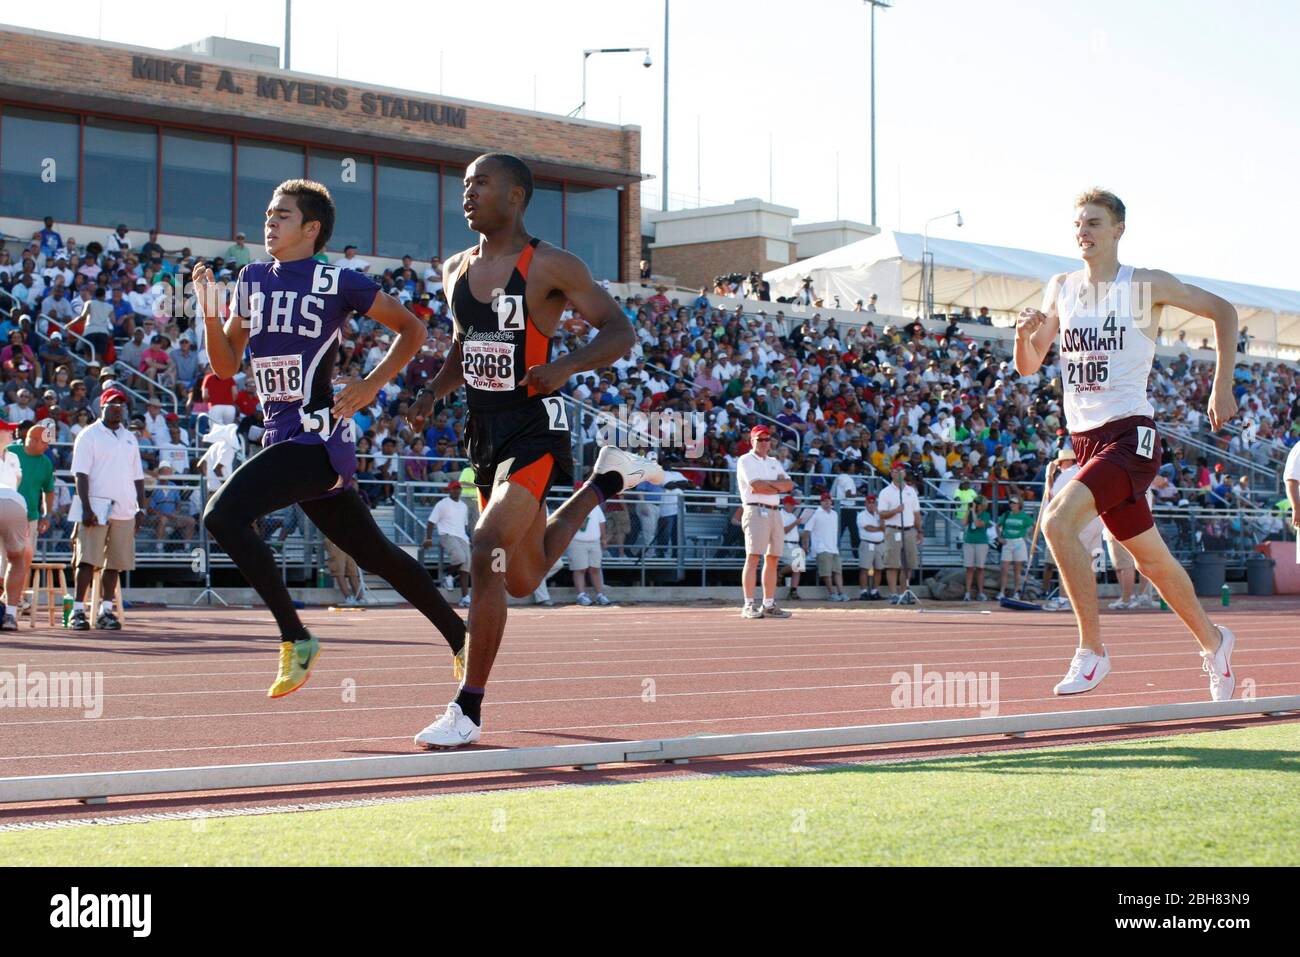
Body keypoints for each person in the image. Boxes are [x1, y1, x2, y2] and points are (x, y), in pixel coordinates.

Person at [411, 153, 661, 749]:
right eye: (464, 184)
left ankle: (467, 709)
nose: (468, 193)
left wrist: (566, 365)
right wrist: (432, 392)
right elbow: (465, 347)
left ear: (517, 195)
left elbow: (619, 329)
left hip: (534, 429)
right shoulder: (453, 268)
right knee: (518, 577)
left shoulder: (551, 265)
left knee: (485, 547)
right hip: (482, 433)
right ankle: (605, 483)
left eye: (482, 183)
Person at [192, 178, 467, 698]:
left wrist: (371, 385)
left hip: (317, 440)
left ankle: (296, 639)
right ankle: (461, 636)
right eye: (268, 214)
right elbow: (225, 364)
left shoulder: (338, 281)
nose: (269, 223)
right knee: (376, 554)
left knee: (221, 516)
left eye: (282, 216)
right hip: (282, 437)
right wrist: (208, 306)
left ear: (311, 228)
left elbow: (411, 329)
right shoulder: (252, 278)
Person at [1015, 188, 1240, 699]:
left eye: (1093, 223)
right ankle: (1215, 642)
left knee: (1056, 522)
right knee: (1152, 562)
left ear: (1118, 229)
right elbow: (1029, 363)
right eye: (1077, 224)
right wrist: (1022, 334)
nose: (1083, 231)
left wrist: (1220, 383)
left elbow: (1223, 312)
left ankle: (1091, 652)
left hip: (1130, 436)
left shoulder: (1143, 285)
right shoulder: (1061, 288)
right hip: (1086, 443)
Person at [67, 389, 145, 630]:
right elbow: (80, 474)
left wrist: (141, 507)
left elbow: (138, 476)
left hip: (124, 509)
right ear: (101, 407)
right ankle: (77, 612)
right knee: (87, 560)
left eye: (121, 404)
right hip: (96, 506)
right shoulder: (89, 435)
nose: (117, 408)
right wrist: (86, 508)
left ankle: (105, 611)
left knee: (115, 563)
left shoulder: (130, 438)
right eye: (112, 404)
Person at [736, 425, 795, 619]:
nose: (764, 442)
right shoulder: (745, 460)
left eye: (767, 439)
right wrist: (776, 486)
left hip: (774, 511)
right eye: (760, 439)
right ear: (751, 440)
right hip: (755, 509)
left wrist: (770, 487)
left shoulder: (774, 461)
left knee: (773, 558)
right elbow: (757, 486)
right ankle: (748, 604)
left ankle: (768, 604)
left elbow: (789, 485)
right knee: (753, 557)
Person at [3, 419, 55, 619]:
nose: (48, 446)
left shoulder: (46, 462)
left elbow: (48, 491)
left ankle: (17, 600)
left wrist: (47, 514)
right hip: (6, 514)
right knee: (6, 560)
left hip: (29, 517)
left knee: (23, 560)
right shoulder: (10, 451)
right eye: (44, 441)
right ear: (31, 440)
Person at [878, 463, 923, 604]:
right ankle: (893, 594)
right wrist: (895, 511)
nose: (898, 473)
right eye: (895, 471)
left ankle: (904, 593)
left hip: (909, 530)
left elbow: (916, 513)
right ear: (891, 473)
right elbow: (882, 514)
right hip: (893, 529)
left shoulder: (911, 491)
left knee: (908, 564)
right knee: (892, 563)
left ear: (904, 473)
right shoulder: (885, 492)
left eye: (901, 471)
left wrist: (919, 530)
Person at [0, 420, 29, 630]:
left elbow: (16, 486)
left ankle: (10, 614)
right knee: (16, 558)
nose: (11, 432)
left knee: (16, 557)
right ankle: (9, 614)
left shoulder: (13, 457)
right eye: (7, 429)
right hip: (13, 504)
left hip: (13, 503)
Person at [424, 480, 472, 608]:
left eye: (458, 488)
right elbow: (430, 522)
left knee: (466, 567)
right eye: (454, 488)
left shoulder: (464, 506)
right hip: (447, 535)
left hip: (462, 537)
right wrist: (428, 538)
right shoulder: (442, 504)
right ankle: (448, 576)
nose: (456, 491)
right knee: (460, 558)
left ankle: (465, 597)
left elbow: (464, 525)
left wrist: (467, 538)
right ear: (449, 490)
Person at [803, 491, 848, 601]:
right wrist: (806, 545)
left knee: (837, 571)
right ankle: (832, 593)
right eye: (824, 500)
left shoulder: (834, 514)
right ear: (821, 502)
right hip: (821, 548)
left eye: (828, 500)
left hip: (834, 548)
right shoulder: (815, 514)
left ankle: (841, 593)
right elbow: (807, 531)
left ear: (831, 501)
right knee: (826, 573)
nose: (827, 502)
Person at [567, 503, 610, 606]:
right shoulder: (573, 506)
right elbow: (568, 523)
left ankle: (600, 595)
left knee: (595, 569)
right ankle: (581, 595)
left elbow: (602, 522)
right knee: (580, 569)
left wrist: (603, 539)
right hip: (577, 542)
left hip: (594, 542)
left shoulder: (595, 507)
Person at [996, 496, 1033, 600]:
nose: (1012, 505)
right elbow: (997, 525)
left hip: (1018, 542)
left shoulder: (1023, 516)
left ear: (1019, 505)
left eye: (1014, 503)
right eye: (1011, 503)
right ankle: (1002, 592)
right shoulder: (1006, 514)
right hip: (1007, 541)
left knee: (1017, 569)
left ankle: (1016, 591)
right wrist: (999, 537)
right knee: (1004, 568)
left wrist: (1027, 535)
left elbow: (1033, 525)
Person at [856, 492, 886, 600]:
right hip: (867, 543)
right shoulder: (861, 515)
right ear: (865, 503)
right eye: (869, 502)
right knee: (864, 568)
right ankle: (863, 592)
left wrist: (880, 516)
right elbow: (868, 528)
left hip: (879, 544)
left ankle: (874, 591)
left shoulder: (879, 514)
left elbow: (885, 526)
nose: (871, 504)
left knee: (879, 569)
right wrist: (880, 528)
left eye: (873, 503)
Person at [962, 495, 991, 601]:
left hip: (981, 543)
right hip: (969, 542)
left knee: (980, 568)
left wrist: (973, 512)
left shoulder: (986, 515)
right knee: (969, 568)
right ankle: (967, 593)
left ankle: (980, 592)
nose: (976, 506)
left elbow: (978, 524)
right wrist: (968, 510)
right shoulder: (970, 513)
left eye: (978, 504)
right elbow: (964, 523)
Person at [779, 495, 806, 600]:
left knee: (799, 568)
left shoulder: (792, 515)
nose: (793, 507)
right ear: (786, 504)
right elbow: (784, 530)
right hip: (785, 544)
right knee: (796, 565)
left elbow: (795, 532)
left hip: (795, 544)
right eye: (791, 505)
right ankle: (780, 573)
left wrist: (804, 541)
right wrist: (795, 523)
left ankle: (793, 591)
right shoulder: (780, 514)